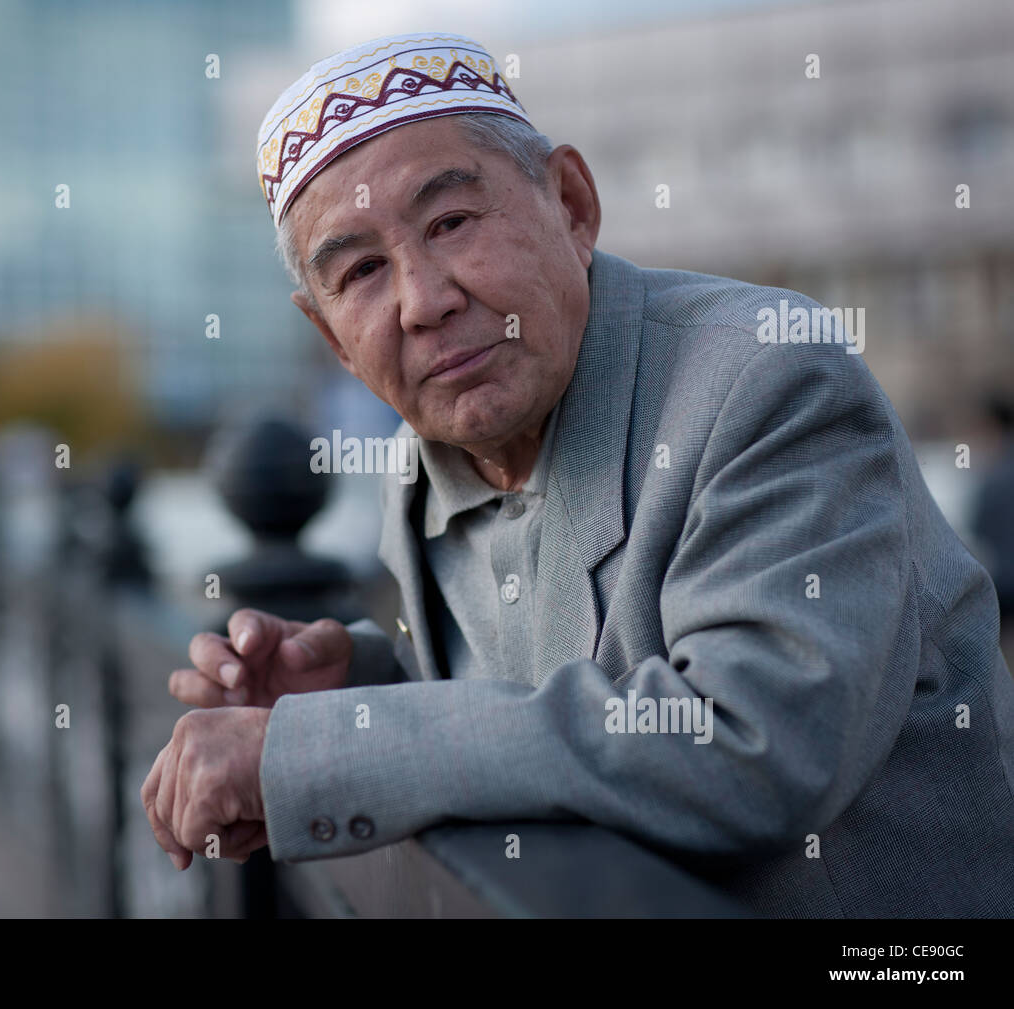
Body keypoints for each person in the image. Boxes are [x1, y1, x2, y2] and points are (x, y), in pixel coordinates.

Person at [141, 31, 1014, 916]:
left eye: (451, 223)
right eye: (362, 270)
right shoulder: (423, 465)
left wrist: (323, 754)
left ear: (570, 203)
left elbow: (757, 741)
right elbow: (542, 706)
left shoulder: (768, 377)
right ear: (331, 338)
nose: (423, 299)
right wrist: (360, 691)